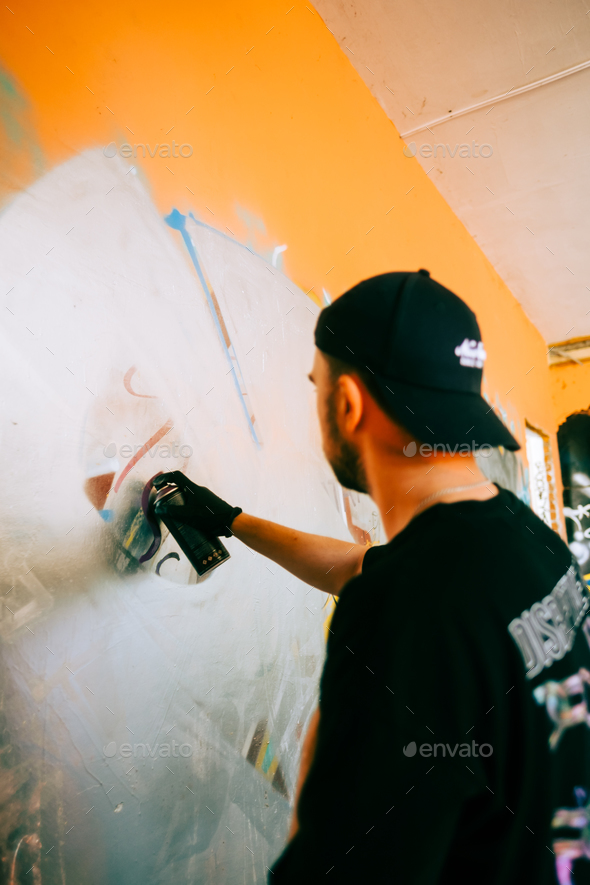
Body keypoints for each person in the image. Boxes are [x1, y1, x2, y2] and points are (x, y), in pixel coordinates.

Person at [155, 271, 590, 884]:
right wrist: (231, 520)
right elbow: (357, 567)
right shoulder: (518, 535)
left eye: (316, 387)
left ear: (348, 403)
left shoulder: (405, 612)